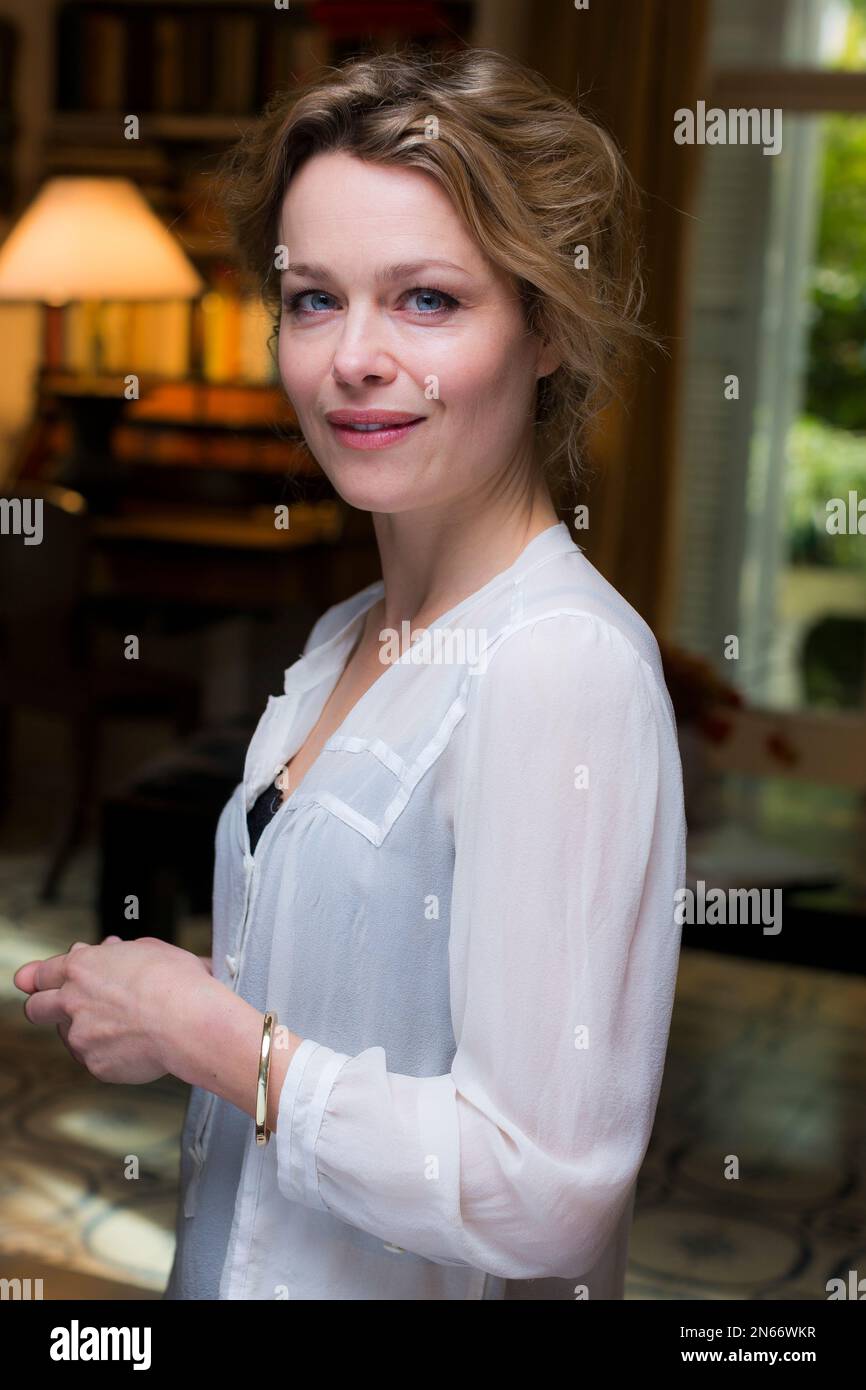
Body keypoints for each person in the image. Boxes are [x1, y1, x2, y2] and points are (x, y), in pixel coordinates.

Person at [14, 45, 685, 1300]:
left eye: (426, 299)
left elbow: (540, 1190)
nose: (351, 359)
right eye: (314, 298)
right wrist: (171, 1003)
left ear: (542, 327)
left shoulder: (557, 668)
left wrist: (206, 1035)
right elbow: (371, 1004)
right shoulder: (348, 633)